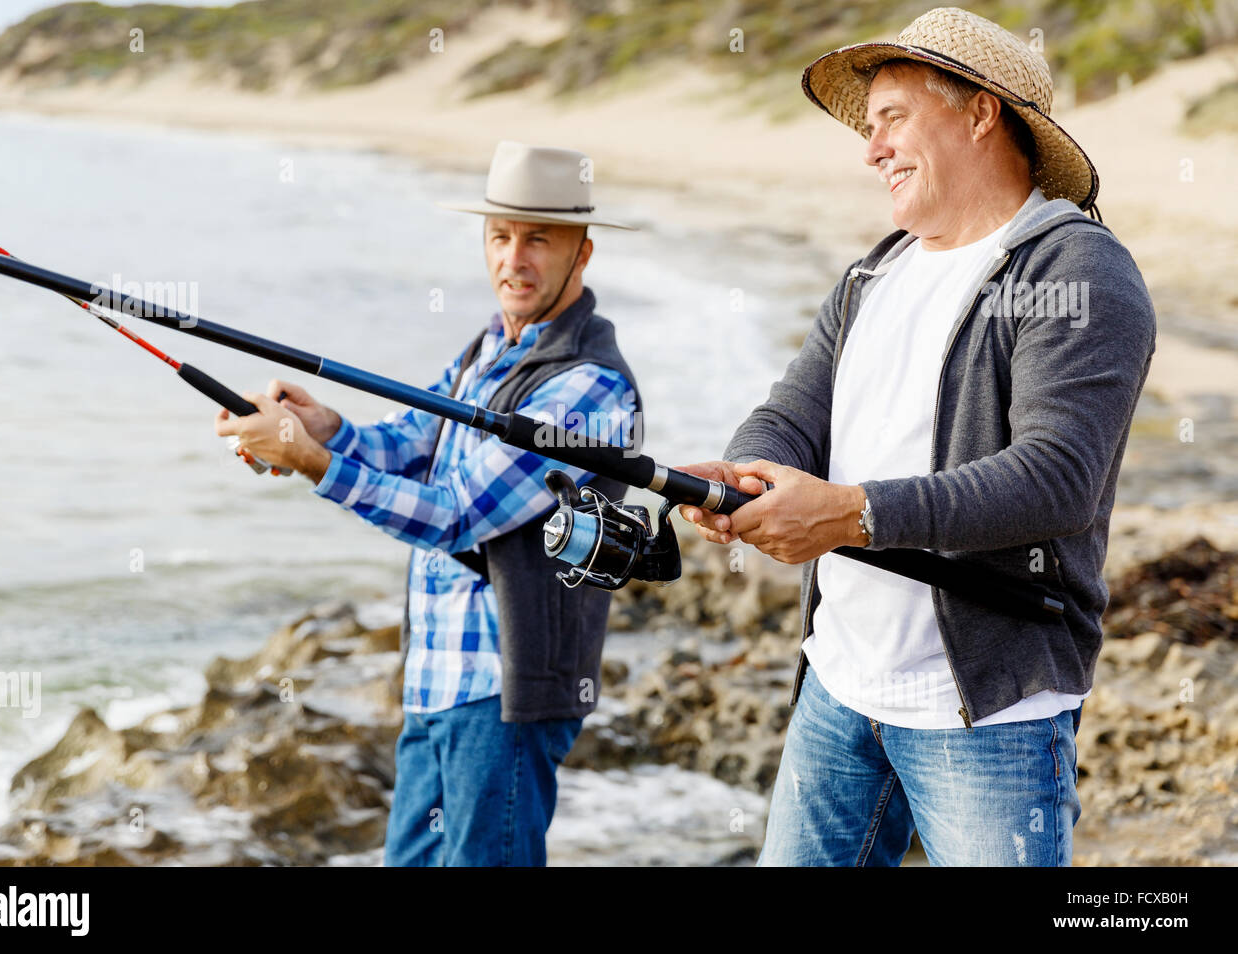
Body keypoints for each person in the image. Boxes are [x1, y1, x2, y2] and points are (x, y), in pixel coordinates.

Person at [679, 7, 1156, 866]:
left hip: (985, 714)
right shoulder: (879, 268)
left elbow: (1055, 480)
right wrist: (749, 477)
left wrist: (850, 515)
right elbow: (795, 411)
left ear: (981, 111)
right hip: (837, 684)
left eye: (892, 117)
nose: (872, 148)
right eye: (870, 127)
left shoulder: (1076, 270)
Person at [214, 141, 642, 866]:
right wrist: (327, 429)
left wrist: (310, 461)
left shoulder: (590, 388)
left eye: (539, 238)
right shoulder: (486, 349)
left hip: (505, 691)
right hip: (435, 676)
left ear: (584, 252)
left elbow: (455, 513)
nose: (514, 259)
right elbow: (415, 443)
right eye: (500, 237)